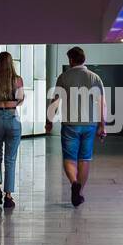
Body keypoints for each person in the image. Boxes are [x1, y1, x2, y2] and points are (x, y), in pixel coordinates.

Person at [45, 46, 107, 207]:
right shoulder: (95, 78)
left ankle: (74, 183)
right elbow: (102, 104)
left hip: (70, 125)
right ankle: (78, 193)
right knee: (84, 159)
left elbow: (56, 102)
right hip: (89, 124)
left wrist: (49, 120)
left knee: (69, 159)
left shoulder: (64, 77)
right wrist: (103, 125)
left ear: (71, 60)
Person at [0, 51, 24, 209]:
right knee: (10, 159)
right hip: (12, 118)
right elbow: (20, 99)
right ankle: (8, 197)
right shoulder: (17, 80)